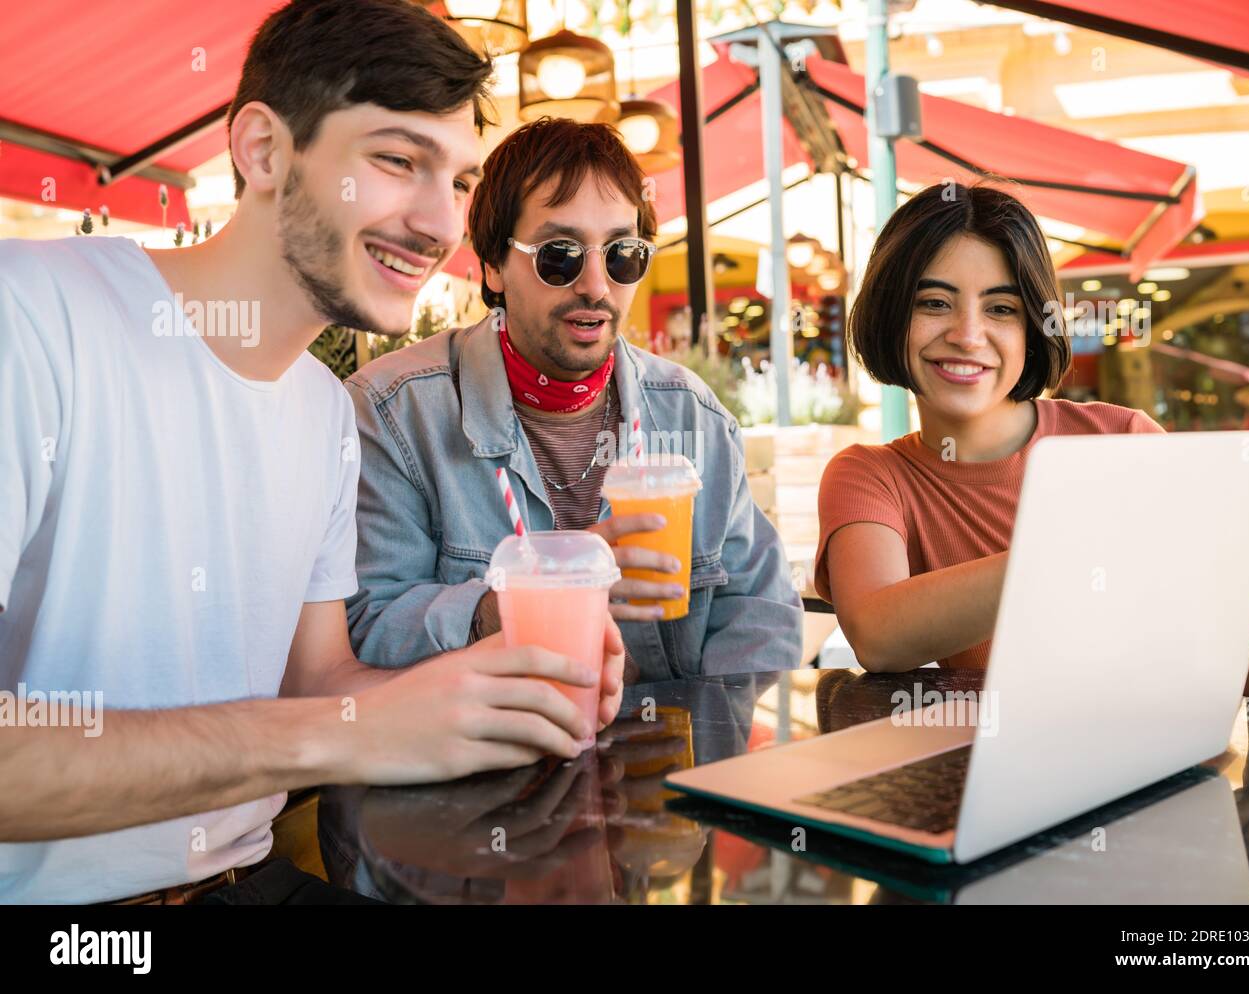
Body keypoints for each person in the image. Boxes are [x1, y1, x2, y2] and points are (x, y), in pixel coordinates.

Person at [0, 0, 622, 904]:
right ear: (262, 151)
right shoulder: (32, 317)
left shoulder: (324, 411)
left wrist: (488, 686)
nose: (439, 224)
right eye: (397, 160)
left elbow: (321, 679)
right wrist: (333, 736)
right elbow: (328, 722)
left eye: (457, 182)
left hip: (243, 882)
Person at [344, 117, 802, 682]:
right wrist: (525, 601)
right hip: (484, 761)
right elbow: (366, 625)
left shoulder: (692, 416)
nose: (595, 285)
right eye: (559, 255)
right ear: (492, 265)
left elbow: (762, 615)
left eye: (621, 254)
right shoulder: (395, 414)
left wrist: (706, 743)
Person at [816, 182, 1249, 701]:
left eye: (1002, 308)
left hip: (1161, 754)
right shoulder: (869, 475)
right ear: (891, 316)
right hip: (996, 768)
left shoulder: (1123, 438)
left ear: (1033, 328)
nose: (968, 334)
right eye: (934, 302)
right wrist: (1092, 539)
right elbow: (879, 636)